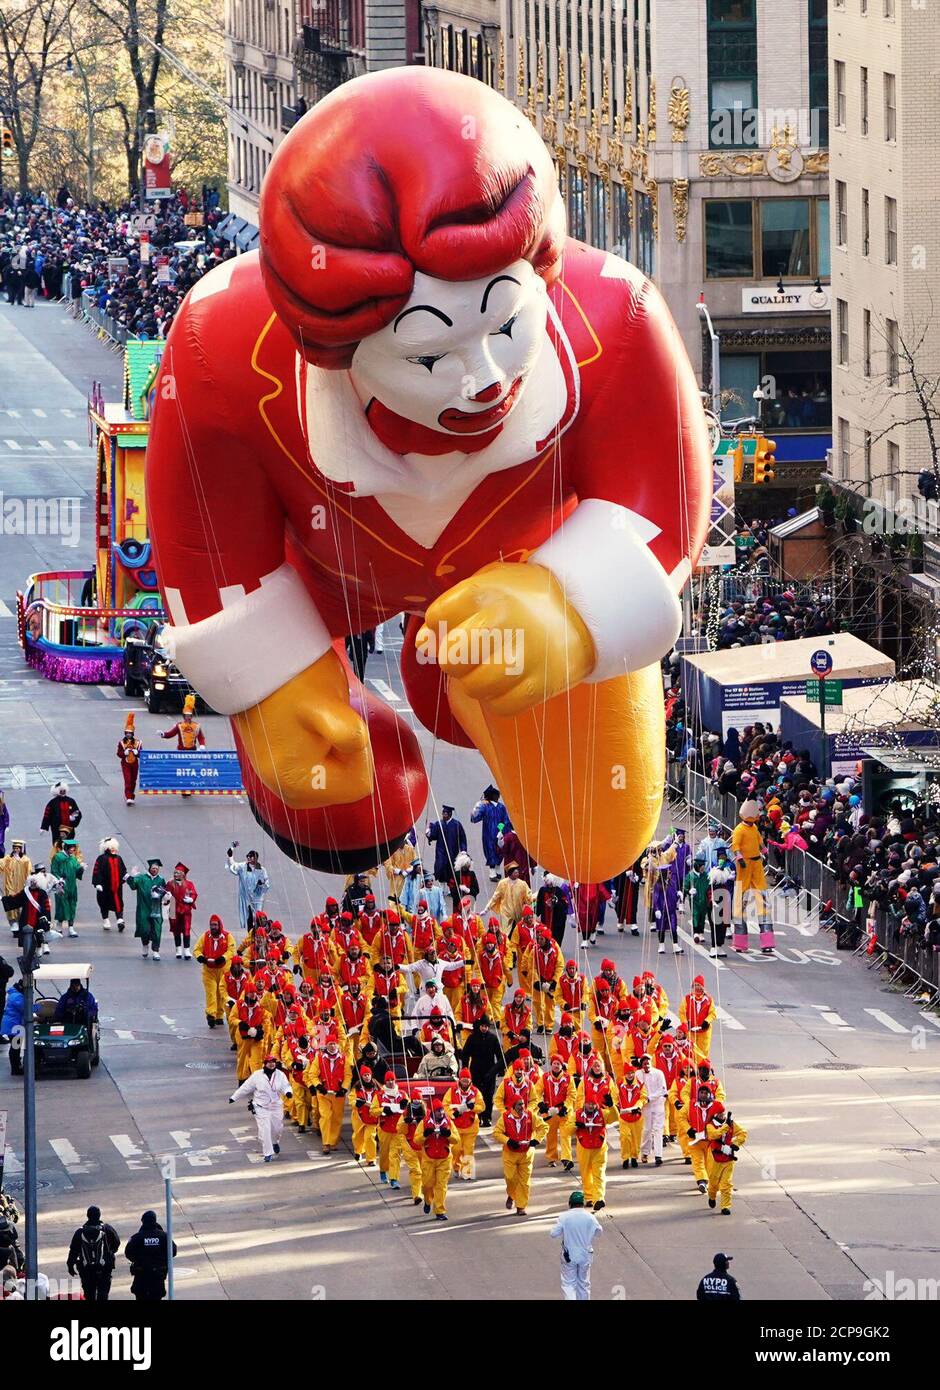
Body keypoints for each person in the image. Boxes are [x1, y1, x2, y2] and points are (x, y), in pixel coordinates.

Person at [230, 1054, 292, 1162]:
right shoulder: (257, 1075)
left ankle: (275, 1142)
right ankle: (268, 1153)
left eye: (273, 1062)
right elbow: (245, 1087)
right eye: (269, 1062)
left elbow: (285, 1085)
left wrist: (288, 1092)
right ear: (265, 1063)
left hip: (275, 1106)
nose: (272, 1064)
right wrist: (234, 1097)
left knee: (277, 1129)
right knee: (265, 1129)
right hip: (261, 1106)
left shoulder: (280, 1075)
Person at [731, 799, 773, 953]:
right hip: (744, 867)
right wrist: (740, 858)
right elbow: (735, 846)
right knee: (740, 902)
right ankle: (740, 943)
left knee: (763, 900)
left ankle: (767, 940)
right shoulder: (739, 830)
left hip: (756, 867)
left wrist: (764, 852)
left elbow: (759, 841)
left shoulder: (754, 827)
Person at [550, 1191, 602, 1301]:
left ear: (570, 1203)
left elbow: (553, 1234)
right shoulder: (590, 1217)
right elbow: (599, 1233)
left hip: (569, 1255)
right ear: (582, 1203)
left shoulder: (564, 1217)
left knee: (568, 1284)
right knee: (583, 1283)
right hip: (585, 1254)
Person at [67, 1205, 120, 1302]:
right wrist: (110, 1253)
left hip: (86, 1269)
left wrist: (70, 1265)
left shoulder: (80, 1232)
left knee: (89, 1294)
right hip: (104, 1269)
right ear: (99, 1215)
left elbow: (73, 1250)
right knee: (103, 1293)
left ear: (87, 1216)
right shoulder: (107, 1229)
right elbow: (117, 1243)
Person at [414, 1101, 457, 1220]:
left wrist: (448, 1135)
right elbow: (417, 1140)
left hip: (444, 1159)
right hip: (429, 1159)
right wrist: (425, 1135)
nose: (441, 1113)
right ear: (433, 1112)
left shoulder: (449, 1123)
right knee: (427, 1184)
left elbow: (456, 1139)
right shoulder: (424, 1123)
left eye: (442, 1110)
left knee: (441, 1185)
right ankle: (428, 1201)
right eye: (438, 1111)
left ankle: (439, 1210)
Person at [459, 1015, 503, 1125]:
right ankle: (477, 1117)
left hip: (490, 1070)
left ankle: (487, 1117)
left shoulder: (493, 1038)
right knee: (477, 1094)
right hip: (476, 1070)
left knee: (488, 1096)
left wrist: (498, 1069)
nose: (484, 1028)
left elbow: (499, 1055)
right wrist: (465, 1069)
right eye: (482, 1026)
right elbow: (465, 1054)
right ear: (479, 1026)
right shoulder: (472, 1038)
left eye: (486, 1026)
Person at [704, 1105, 748, 1215]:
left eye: (723, 1113)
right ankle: (712, 1196)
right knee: (713, 1183)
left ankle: (725, 1206)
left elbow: (743, 1133)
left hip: (728, 1159)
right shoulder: (710, 1126)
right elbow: (714, 1135)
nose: (722, 1115)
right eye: (719, 1114)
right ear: (714, 1114)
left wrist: (736, 1144)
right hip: (715, 1159)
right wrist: (726, 1127)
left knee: (726, 1184)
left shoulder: (730, 1123)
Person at [125, 1210, 176, 1301]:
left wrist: (138, 1260)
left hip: (141, 1276)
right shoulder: (163, 1236)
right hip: (158, 1276)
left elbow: (128, 1253)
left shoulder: (137, 1237)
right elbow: (173, 1251)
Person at [124, 857, 168, 960]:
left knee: (157, 930)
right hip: (143, 908)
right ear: (149, 868)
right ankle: (145, 945)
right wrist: (131, 876)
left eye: (156, 868)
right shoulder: (142, 878)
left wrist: (166, 897)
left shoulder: (160, 880)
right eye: (153, 868)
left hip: (156, 909)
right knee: (145, 929)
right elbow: (133, 885)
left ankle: (156, 951)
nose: (154, 870)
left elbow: (164, 892)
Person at [194, 913, 233, 1027]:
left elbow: (231, 950)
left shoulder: (227, 936)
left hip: (223, 969)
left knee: (221, 993)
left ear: (219, 925)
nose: (213, 927)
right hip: (209, 971)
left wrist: (223, 958)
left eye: (215, 925)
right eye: (211, 925)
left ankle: (220, 1015)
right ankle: (211, 1014)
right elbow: (197, 949)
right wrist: (200, 957)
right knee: (211, 993)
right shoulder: (205, 936)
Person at [470, 785, 511, 881]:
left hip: (500, 833)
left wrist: (501, 830)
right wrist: (477, 807)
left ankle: (497, 870)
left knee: (500, 851)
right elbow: (475, 818)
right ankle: (492, 872)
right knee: (490, 851)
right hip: (488, 834)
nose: (498, 797)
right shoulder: (485, 806)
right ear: (493, 796)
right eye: (497, 795)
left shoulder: (501, 807)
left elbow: (505, 820)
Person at [226, 844, 270, 932]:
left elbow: (267, 884)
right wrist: (231, 855)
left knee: (258, 917)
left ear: (255, 858)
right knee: (248, 917)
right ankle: (250, 935)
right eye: (248, 856)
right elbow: (233, 865)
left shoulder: (262, 870)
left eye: (251, 856)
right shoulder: (243, 867)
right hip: (246, 898)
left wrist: (261, 884)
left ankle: (261, 933)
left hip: (257, 898)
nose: (249, 858)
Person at [50, 838, 83, 938]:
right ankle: (59, 927)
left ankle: (71, 928)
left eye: (74, 848)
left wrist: (81, 868)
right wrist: (59, 880)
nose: (73, 850)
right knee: (62, 906)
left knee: (72, 905)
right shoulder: (58, 857)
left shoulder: (73, 858)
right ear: (66, 847)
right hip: (62, 886)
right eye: (71, 848)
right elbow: (54, 870)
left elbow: (77, 870)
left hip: (72, 886)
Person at [426, 805, 467, 884]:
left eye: (446, 814)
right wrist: (429, 834)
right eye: (443, 814)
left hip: (452, 851)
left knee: (450, 868)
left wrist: (463, 850)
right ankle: (442, 887)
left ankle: (450, 887)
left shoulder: (457, 825)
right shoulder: (439, 824)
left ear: (450, 815)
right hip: (441, 851)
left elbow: (462, 838)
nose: (444, 816)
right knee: (440, 867)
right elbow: (434, 836)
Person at [91, 837, 126, 931]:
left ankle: (120, 919)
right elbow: (96, 871)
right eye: (111, 847)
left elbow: (123, 870)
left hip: (117, 887)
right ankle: (106, 920)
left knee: (118, 902)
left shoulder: (119, 858)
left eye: (114, 847)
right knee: (104, 903)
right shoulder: (101, 858)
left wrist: (126, 877)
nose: (113, 849)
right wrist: (97, 883)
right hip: (104, 887)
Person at [166, 861, 199, 959]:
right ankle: (178, 949)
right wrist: (166, 896)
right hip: (173, 908)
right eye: (175, 873)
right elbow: (166, 894)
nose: (176, 875)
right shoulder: (170, 883)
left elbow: (194, 893)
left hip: (185, 909)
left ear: (183, 874)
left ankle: (187, 950)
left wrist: (191, 899)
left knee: (186, 929)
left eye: (178, 873)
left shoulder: (189, 884)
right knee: (175, 929)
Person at [0, 840, 31, 929]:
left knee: (21, 905)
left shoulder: (26, 860)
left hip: (21, 885)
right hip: (10, 885)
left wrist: (27, 883)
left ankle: (20, 921)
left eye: (18, 848)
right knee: (11, 903)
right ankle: (13, 923)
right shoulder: (8, 859)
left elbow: (28, 872)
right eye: (14, 848)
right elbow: (1, 864)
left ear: (21, 849)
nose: (16, 850)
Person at [117, 713, 142, 804]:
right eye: (126, 733)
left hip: (134, 764)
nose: (128, 734)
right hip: (125, 764)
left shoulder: (138, 742)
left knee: (133, 780)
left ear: (132, 733)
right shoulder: (121, 743)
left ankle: (131, 795)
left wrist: (137, 753)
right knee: (127, 780)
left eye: (130, 733)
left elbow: (141, 754)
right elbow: (118, 754)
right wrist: (124, 753)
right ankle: (128, 797)